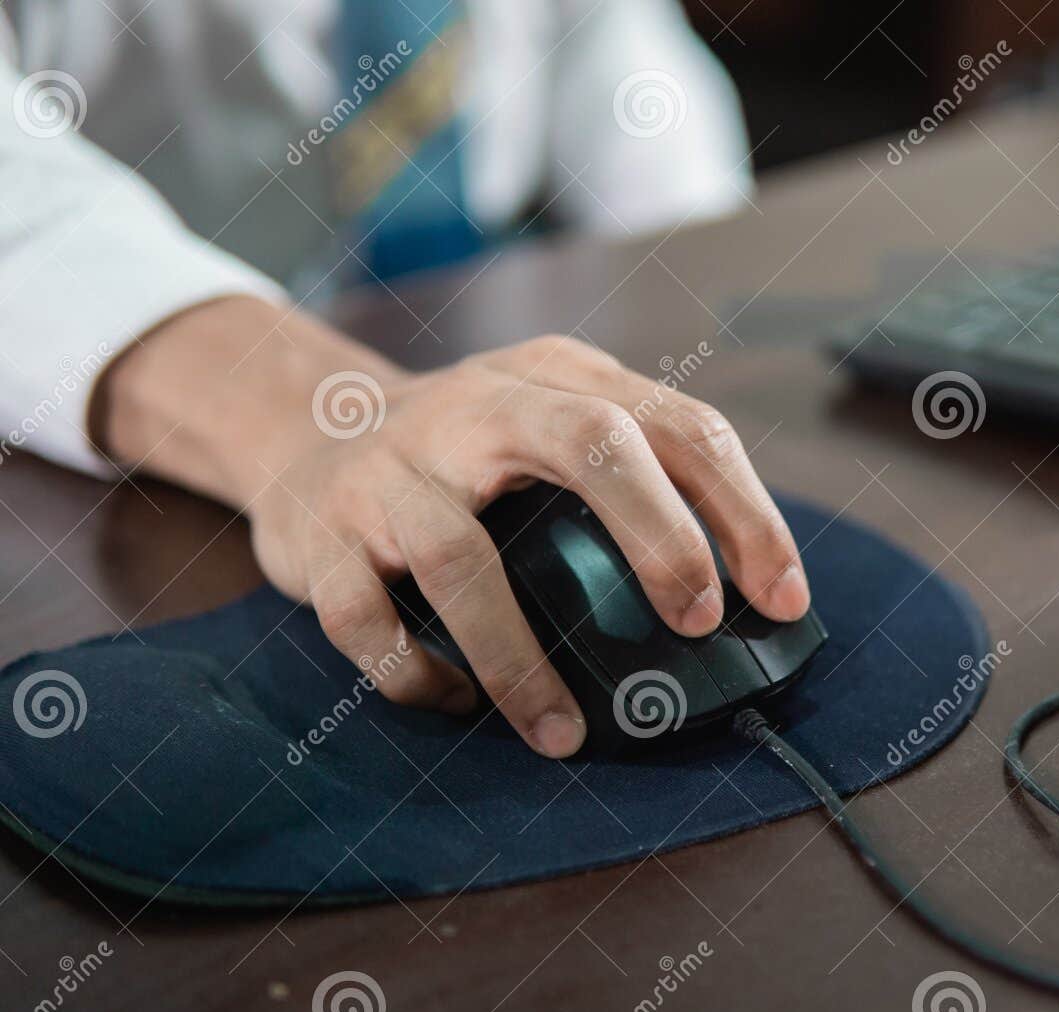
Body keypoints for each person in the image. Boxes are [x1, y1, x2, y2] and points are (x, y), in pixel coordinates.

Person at [0, 0, 810, 759]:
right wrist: (313, 412)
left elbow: (619, 73)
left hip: (484, 312)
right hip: (148, 447)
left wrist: (687, 383)